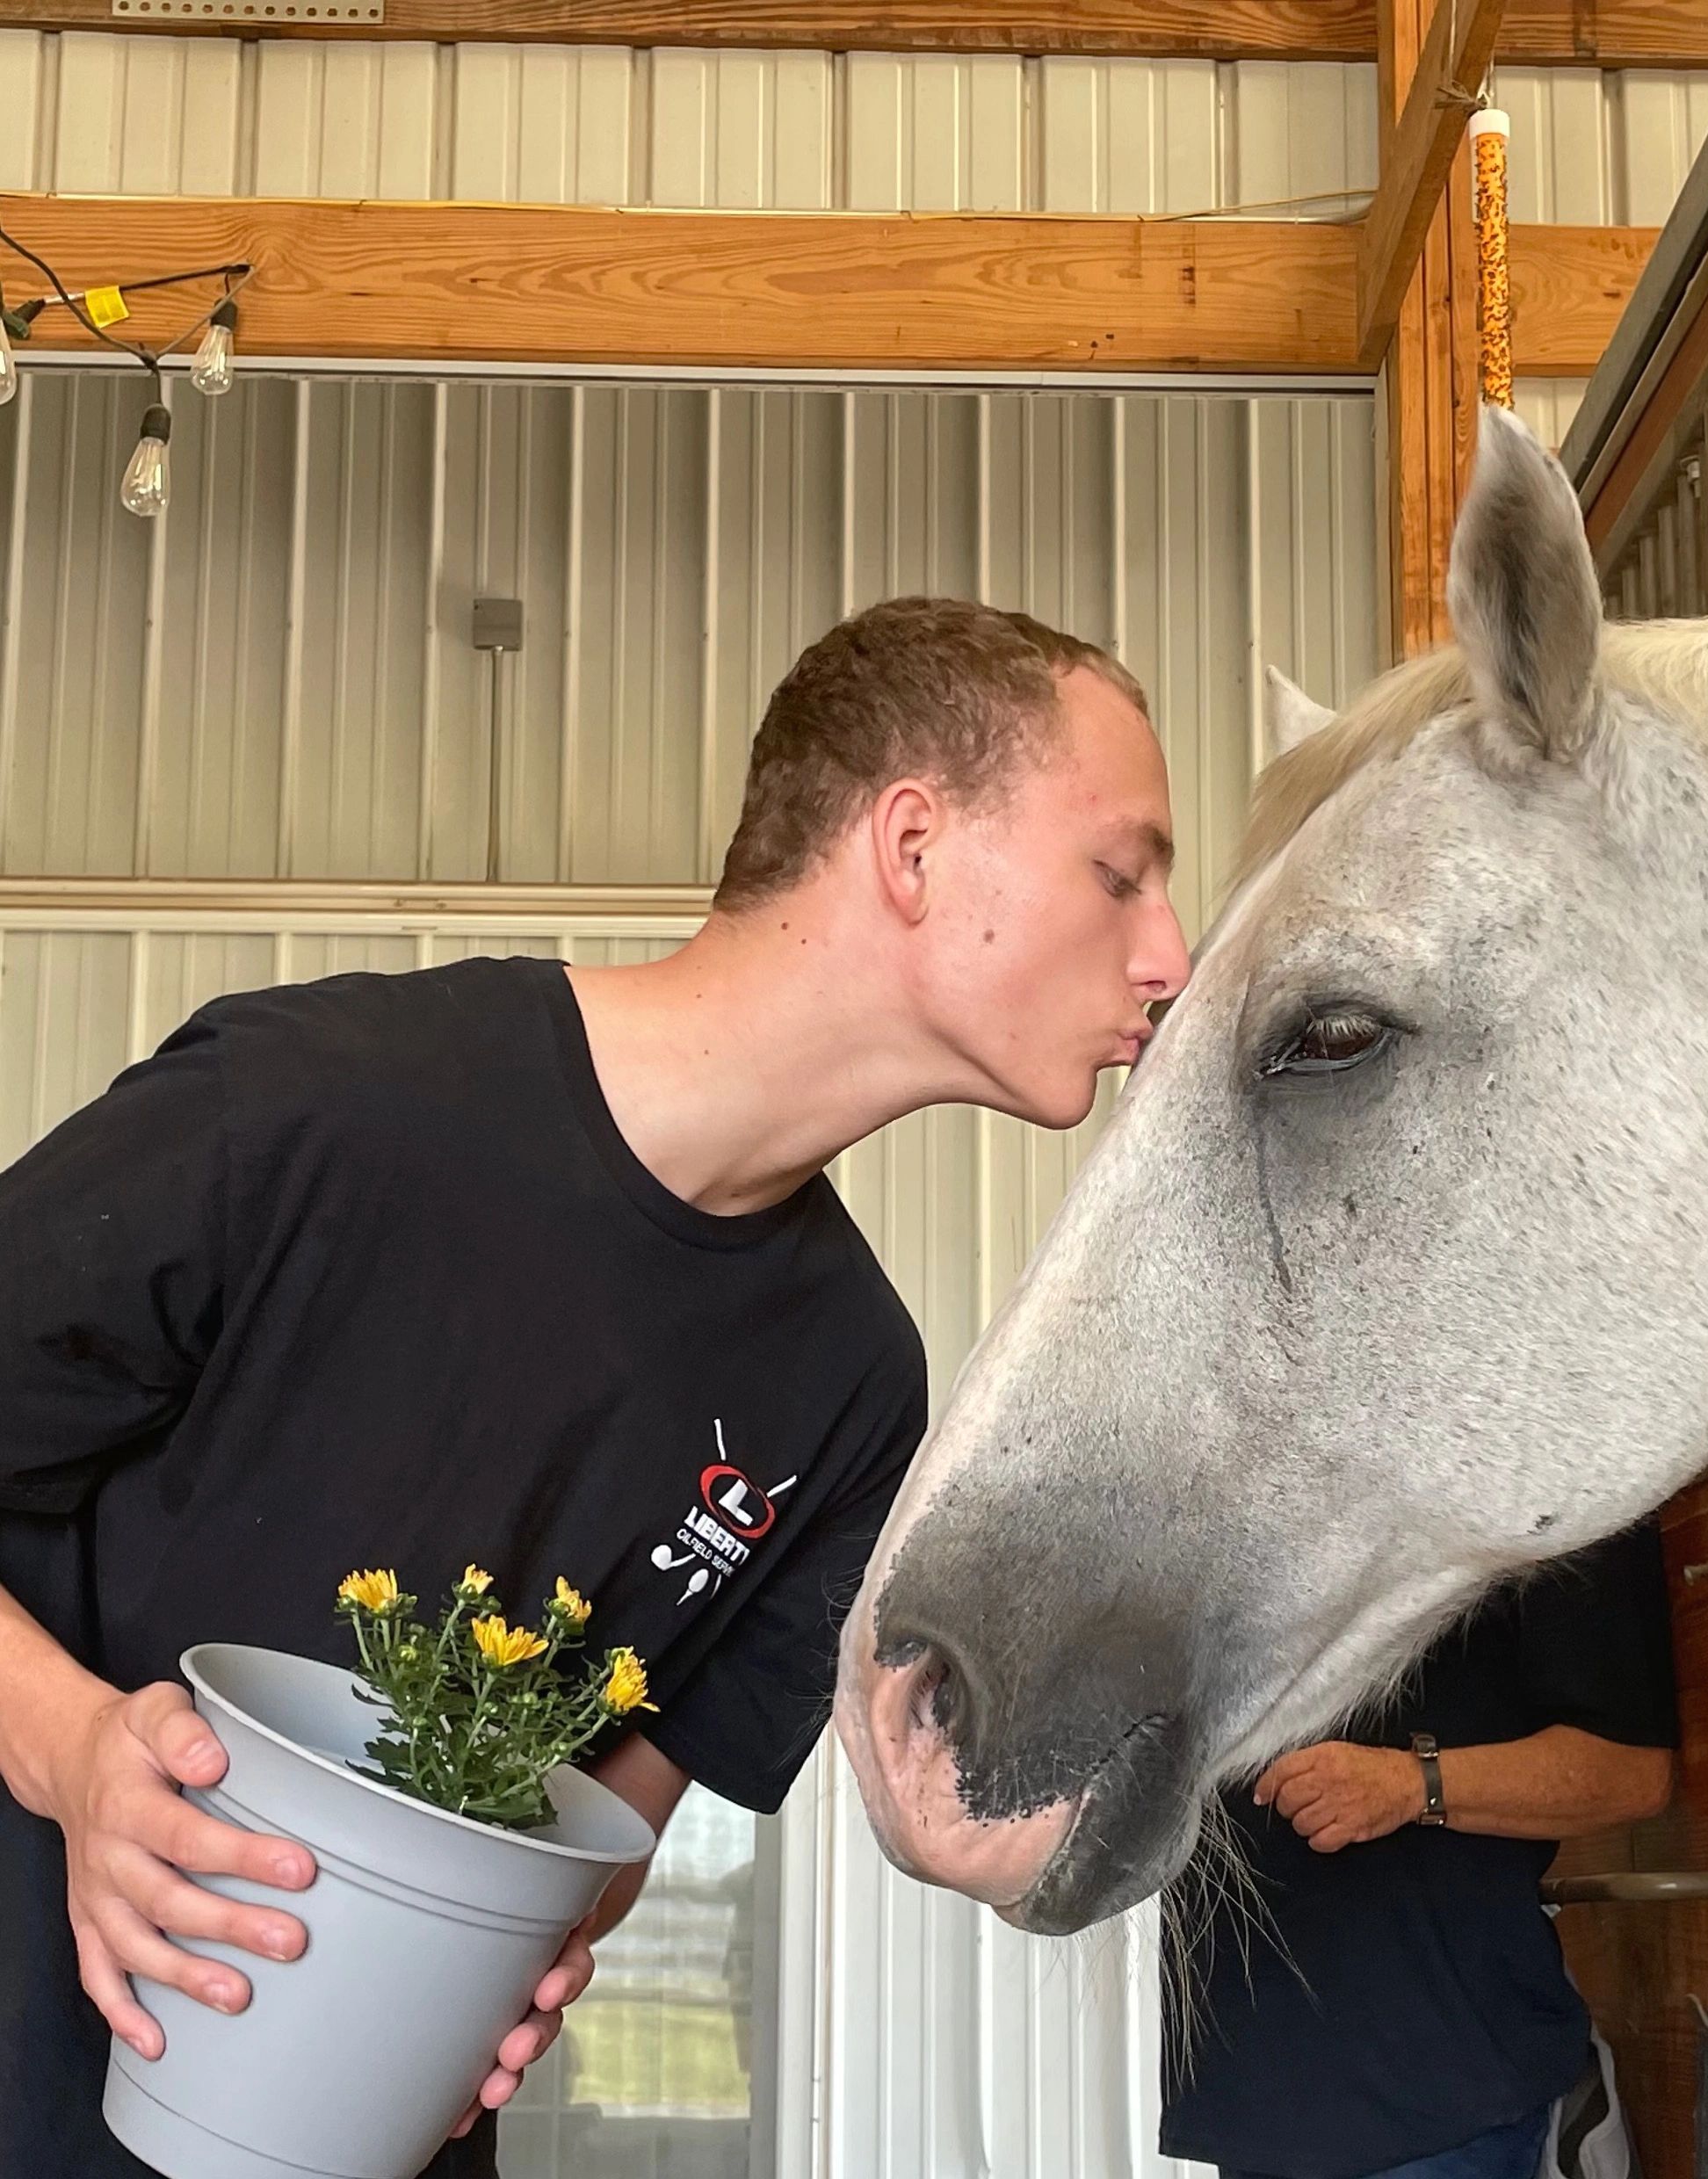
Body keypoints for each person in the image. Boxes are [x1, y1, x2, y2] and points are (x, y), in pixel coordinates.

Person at [0, 597, 1191, 2179]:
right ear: (912, 847)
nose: (1170, 957)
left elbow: (619, 1814)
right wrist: (79, 1754)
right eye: (1122, 873)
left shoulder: (853, 1388)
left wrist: (516, 1934)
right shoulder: (309, 1112)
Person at [1160, 1524, 1679, 2179]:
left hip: (1434, 2101)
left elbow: (1630, 1770)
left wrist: (1411, 1784)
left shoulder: (1549, 1483)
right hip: (1250, 2094)